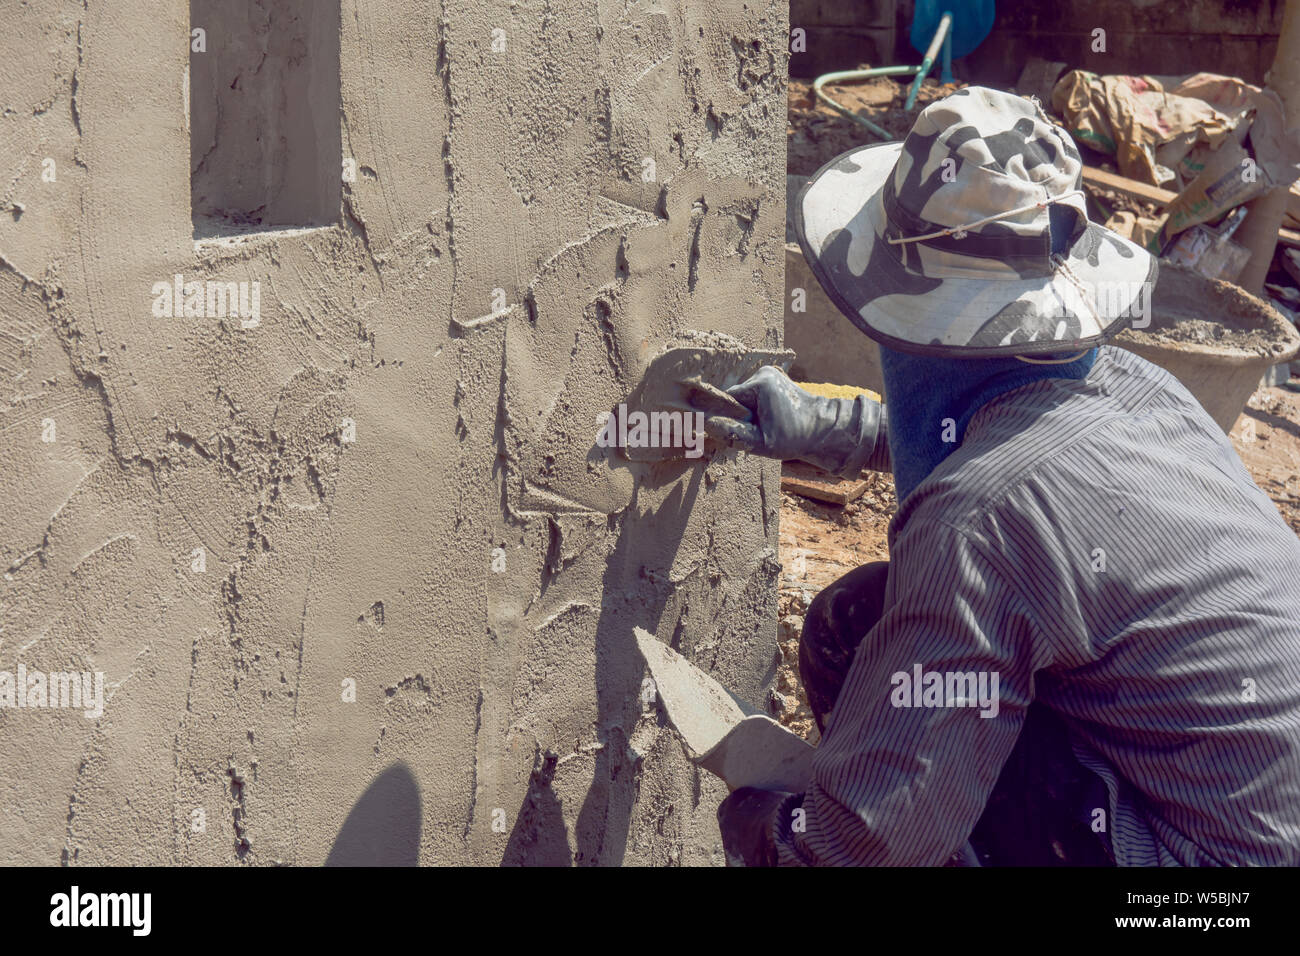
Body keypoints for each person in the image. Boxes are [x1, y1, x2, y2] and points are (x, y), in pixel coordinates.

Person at [705, 87, 1300, 866]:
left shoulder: (975, 522)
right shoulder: (1132, 383)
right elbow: (1022, 466)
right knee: (859, 622)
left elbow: (868, 845)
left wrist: (776, 833)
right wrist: (828, 428)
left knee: (889, 739)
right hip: (1250, 805)